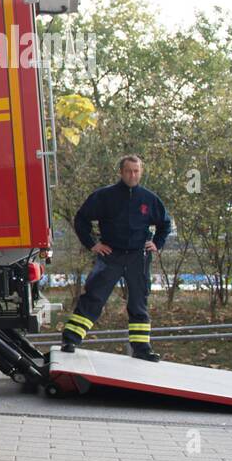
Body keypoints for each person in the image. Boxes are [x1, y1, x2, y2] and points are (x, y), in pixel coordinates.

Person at [61, 154, 171, 362]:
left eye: (136, 171)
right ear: (121, 172)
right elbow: (81, 219)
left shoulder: (149, 199)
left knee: (139, 301)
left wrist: (157, 242)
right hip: (110, 255)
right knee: (94, 297)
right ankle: (70, 340)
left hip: (138, 257)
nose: (133, 175)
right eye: (129, 171)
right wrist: (93, 244)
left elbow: (165, 224)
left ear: (141, 172)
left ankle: (141, 348)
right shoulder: (104, 196)